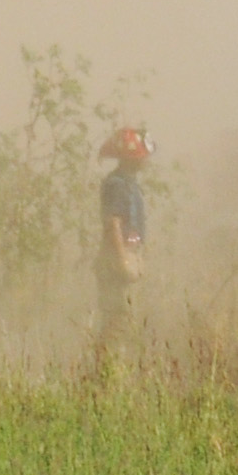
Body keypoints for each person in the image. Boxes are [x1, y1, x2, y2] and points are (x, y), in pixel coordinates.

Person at [93, 125, 152, 345]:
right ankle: (104, 370)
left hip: (128, 254)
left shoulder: (130, 184)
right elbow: (113, 224)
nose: (145, 160)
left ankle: (114, 368)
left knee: (125, 320)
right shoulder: (117, 185)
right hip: (116, 259)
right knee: (116, 321)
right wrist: (122, 261)